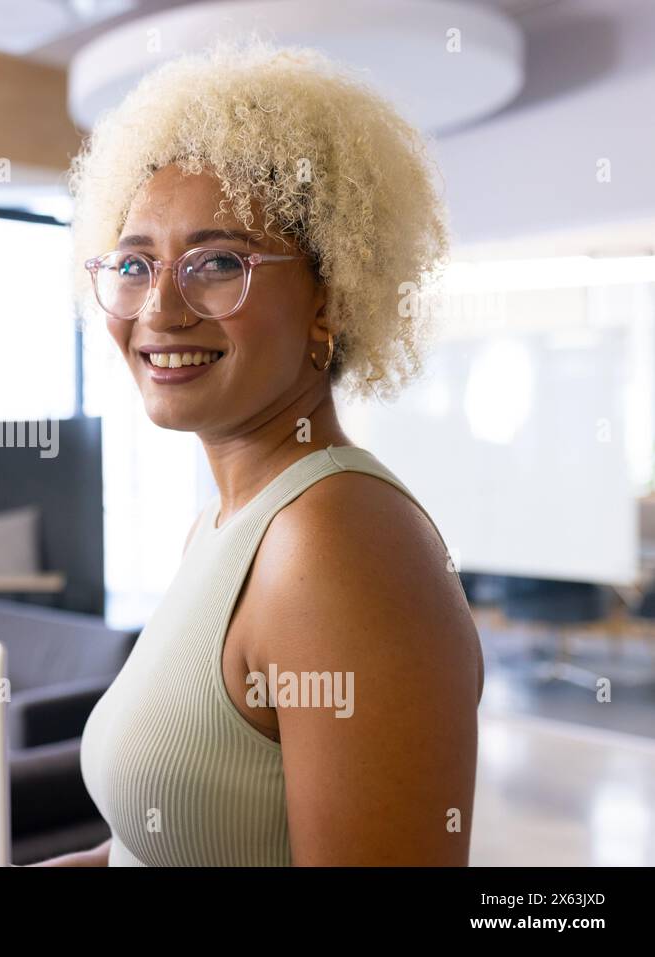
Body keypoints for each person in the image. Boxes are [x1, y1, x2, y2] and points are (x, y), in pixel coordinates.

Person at [41, 43, 483, 866]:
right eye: (135, 264)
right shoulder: (223, 525)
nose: (160, 308)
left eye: (217, 263)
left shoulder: (340, 544)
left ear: (331, 298)